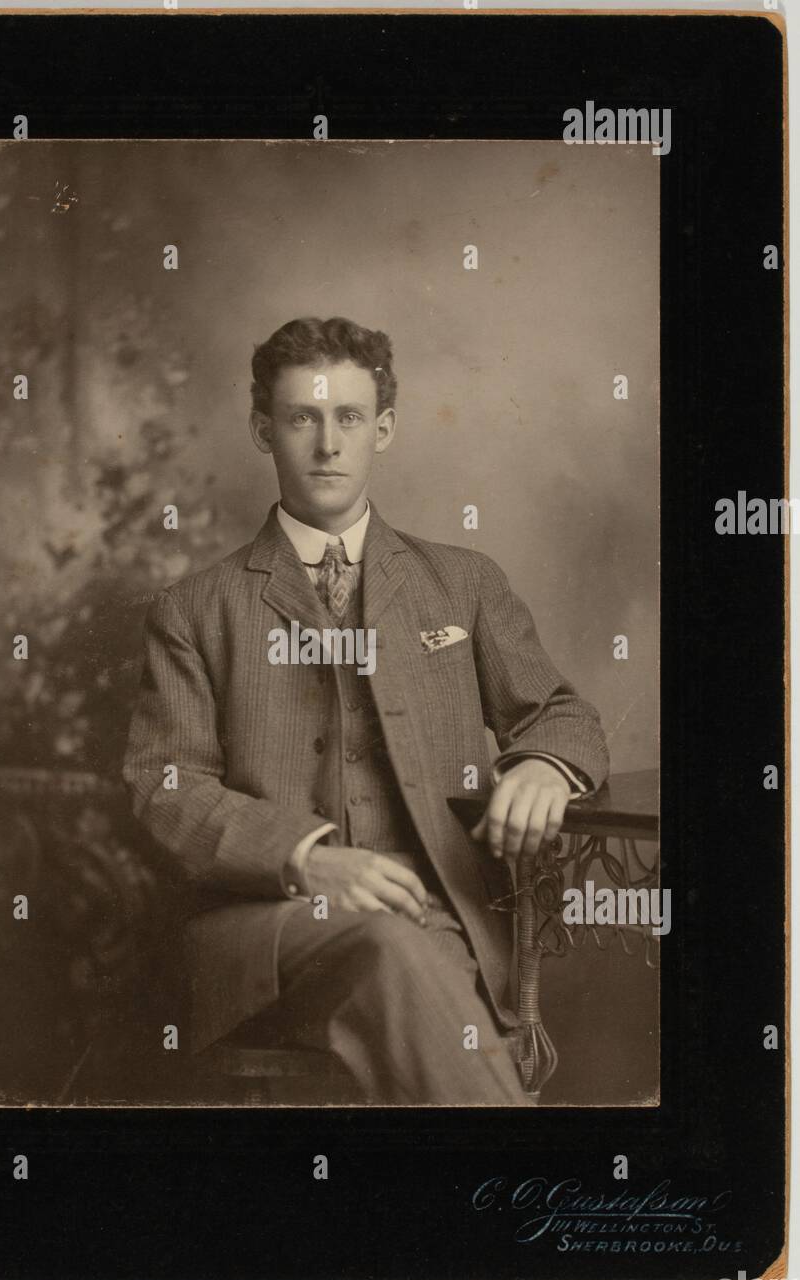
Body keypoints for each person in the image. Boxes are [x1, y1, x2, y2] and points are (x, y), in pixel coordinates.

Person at [123, 316, 609, 1104]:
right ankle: (525, 1194)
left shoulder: (463, 582)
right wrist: (306, 857)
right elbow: (163, 788)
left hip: (442, 919)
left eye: (347, 418)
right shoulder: (194, 609)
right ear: (261, 430)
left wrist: (543, 767)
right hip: (264, 934)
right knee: (394, 950)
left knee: (417, 958)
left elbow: (558, 712)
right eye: (300, 419)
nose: (326, 444)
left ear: (381, 428)